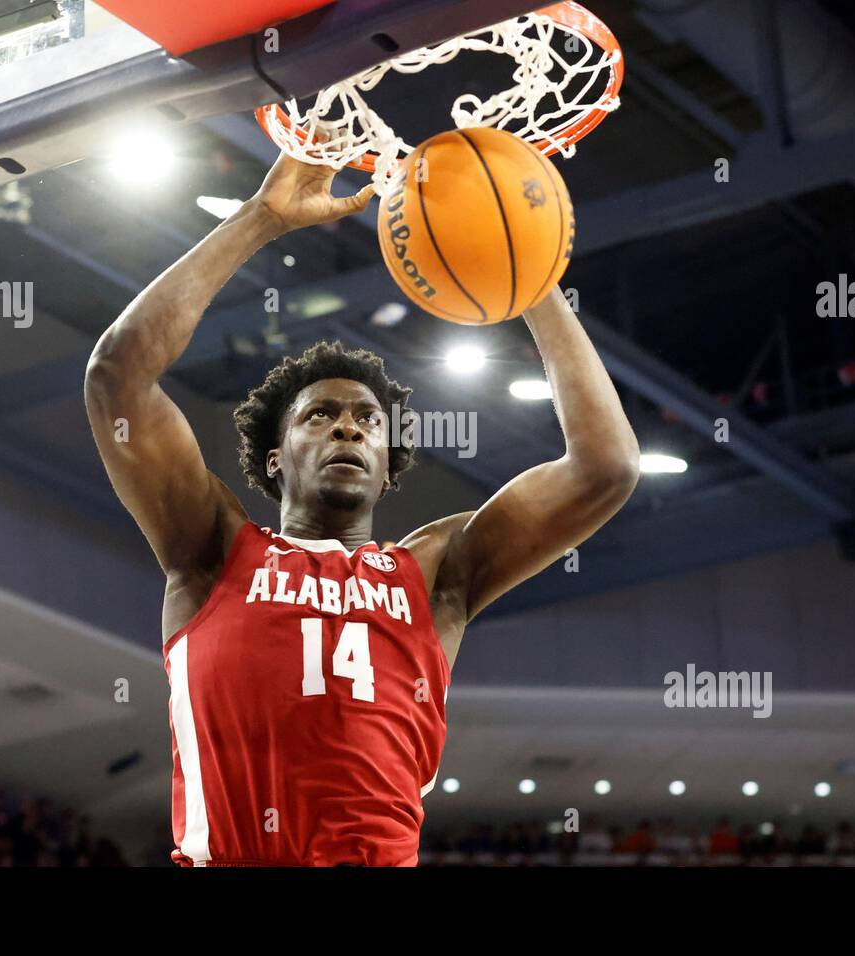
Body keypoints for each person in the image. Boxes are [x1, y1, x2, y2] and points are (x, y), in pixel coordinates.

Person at [85, 153, 641, 866]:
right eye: (320, 415)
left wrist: (527, 275)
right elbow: (116, 378)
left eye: (369, 422)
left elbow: (606, 467)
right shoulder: (212, 551)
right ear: (276, 457)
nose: (349, 427)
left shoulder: (436, 573)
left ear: (386, 473)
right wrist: (261, 219)